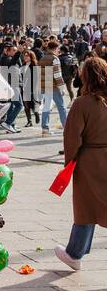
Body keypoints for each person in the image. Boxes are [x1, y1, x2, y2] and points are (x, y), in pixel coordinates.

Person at [54, 56, 107, 271]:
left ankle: (75, 253)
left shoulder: (82, 103)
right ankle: (75, 252)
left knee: (86, 208)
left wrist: (70, 163)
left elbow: (72, 138)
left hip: (90, 160)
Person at [38, 39, 68, 136]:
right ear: (56, 48)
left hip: (45, 85)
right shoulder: (55, 59)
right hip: (53, 86)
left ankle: (45, 129)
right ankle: (66, 127)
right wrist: (62, 87)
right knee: (61, 107)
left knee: (46, 107)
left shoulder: (42, 58)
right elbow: (57, 75)